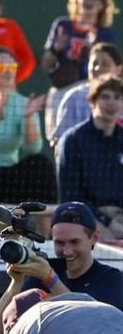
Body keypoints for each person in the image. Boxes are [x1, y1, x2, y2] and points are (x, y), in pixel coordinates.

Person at [0, 202, 123, 334]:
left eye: (74, 242)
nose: (67, 251)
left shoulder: (111, 279)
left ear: (94, 238)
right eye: (59, 243)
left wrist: (50, 279)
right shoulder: (43, 271)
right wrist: (16, 282)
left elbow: (90, 324)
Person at [41, 0, 118, 138]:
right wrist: (56, 48)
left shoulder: (105, 34)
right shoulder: (62, 25)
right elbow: (46, 63)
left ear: (102, 5)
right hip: (61, 88)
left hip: (89, 90)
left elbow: (108, 68)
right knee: (57, 136)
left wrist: (93, 47)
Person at [0, 46, 51, 205]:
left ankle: (46, 227)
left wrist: (27, 118)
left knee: (40, 163)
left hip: (11, 173)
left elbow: (33, 148)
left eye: (12, 67)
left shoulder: (24, 103)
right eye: (1, 67)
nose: (8, 71)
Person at [56, 74, 123, 239]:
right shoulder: (73, 140)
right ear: (92, 102)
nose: (111, 103)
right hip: (86, 217)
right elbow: (70, 196)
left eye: (117, 97)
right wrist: (107, 221)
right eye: (105, 97)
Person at [51, 41, 122, 147]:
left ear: (119, 69)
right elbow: (59, 141)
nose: (98, 68)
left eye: (105, 64)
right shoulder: (74, 97)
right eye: (94, 64)